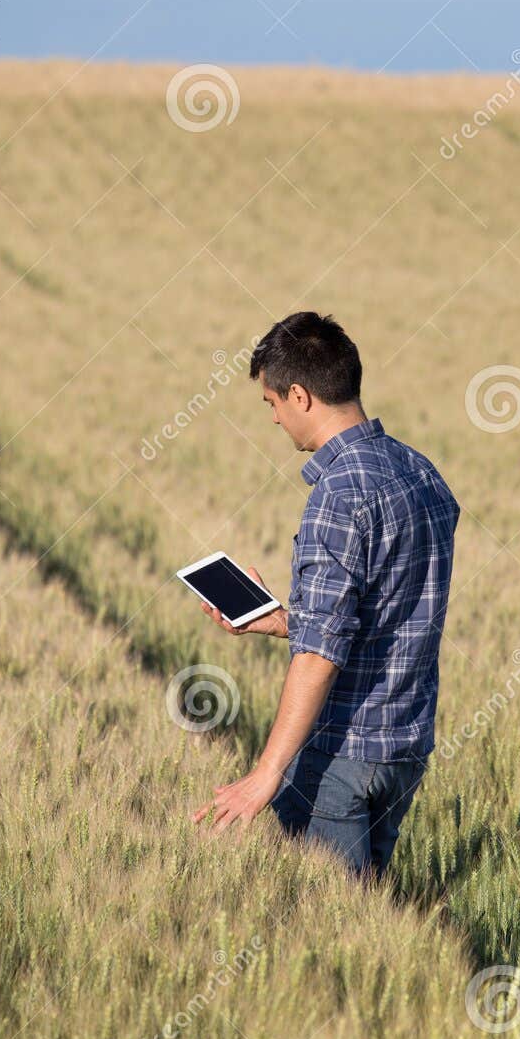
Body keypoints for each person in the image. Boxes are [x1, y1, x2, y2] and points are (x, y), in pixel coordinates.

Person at [190, 312, 461, 879]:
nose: (273, 419)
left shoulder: (338, 495)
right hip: (405, 748)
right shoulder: (422, 472)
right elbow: (387, 607)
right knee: (369, 924)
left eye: (270, 403)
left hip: (341, 754)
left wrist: (264, 777)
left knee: (326, 929)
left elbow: (320, 656)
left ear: (299, 395)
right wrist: (285, 620)